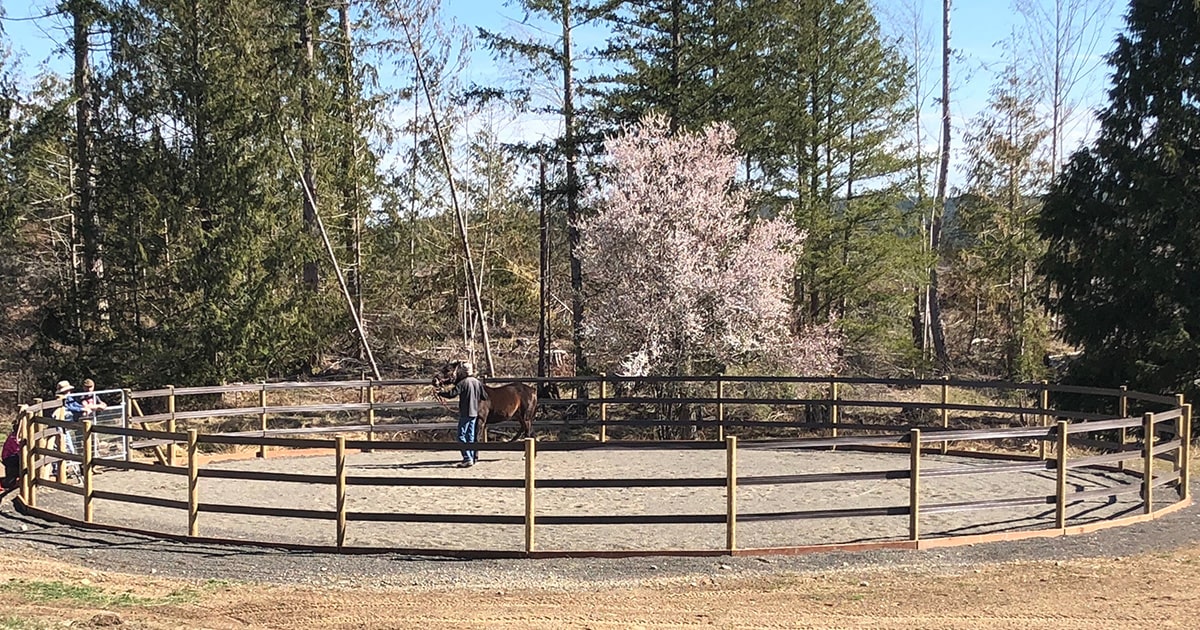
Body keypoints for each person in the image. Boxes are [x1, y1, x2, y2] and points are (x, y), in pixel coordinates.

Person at [436, 361, 487, 468]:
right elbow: (484, 396)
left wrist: (440, 392)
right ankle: (472, 457)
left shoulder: (463, 383)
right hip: (475, 413)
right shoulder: (477, 382)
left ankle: (467, 458)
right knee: (471, 436)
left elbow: (451, 394)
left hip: (465, 412)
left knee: (461, 436)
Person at [1, 418, 22, 491]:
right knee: (20, 461)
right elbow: (18, 450)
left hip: (11, 457)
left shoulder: (15, 437)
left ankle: (12, 481)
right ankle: (6, 483)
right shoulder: (14, 438)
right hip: (9, 458)